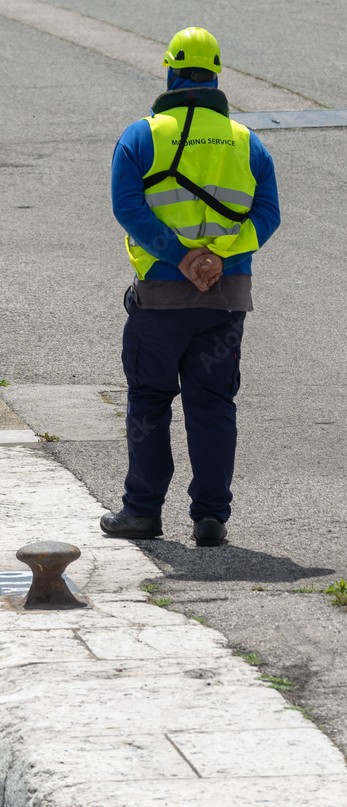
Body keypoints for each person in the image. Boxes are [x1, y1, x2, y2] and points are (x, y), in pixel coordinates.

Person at [101, 27, 280, 547]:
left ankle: (141, 512)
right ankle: (210, 519)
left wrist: (182, 257)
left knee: (151, 401)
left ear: (171, 71)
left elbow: (127, 208)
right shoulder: (248, 142)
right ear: (217, 74)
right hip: (224, 301)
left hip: (159, 298)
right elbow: (267, 214)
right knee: (213, 404)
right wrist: (217, 258)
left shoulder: (142, 135)